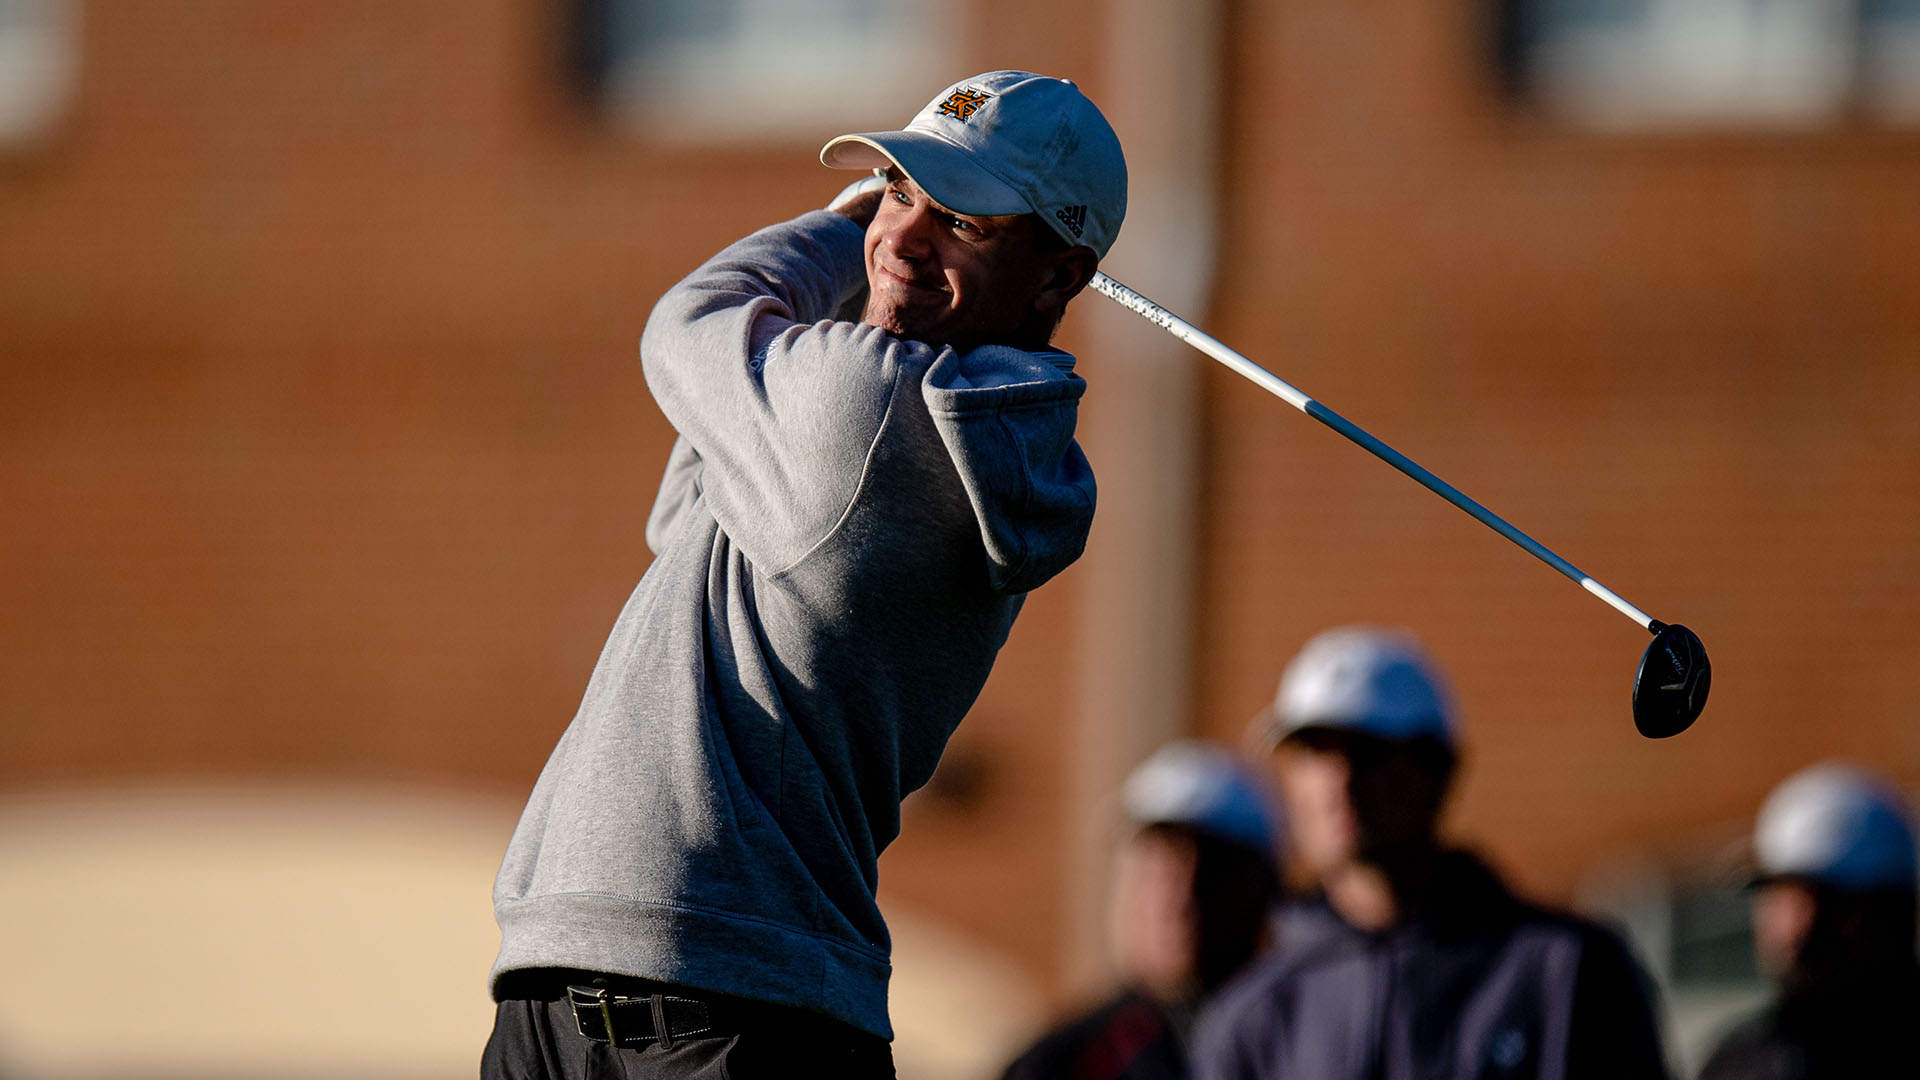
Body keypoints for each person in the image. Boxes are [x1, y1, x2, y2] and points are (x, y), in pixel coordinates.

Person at [481, 71, 1126, 1080]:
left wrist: (845, 225)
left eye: (963, 222)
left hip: (727, 1017)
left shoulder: (867, 411)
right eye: (898, 193)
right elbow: (679, 523)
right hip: (615, 994)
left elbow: (687, 322)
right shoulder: (877, 407)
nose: (906, 238)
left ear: (1055, 278)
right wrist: (891, 235)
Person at [1189, 626, 1671, 1080]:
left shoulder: (1565, 973)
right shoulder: (1247, 1018)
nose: (1339, 781)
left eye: (1367, 750)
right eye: (1313, 751)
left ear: (1440, 771)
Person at [999, 741, 1285, 1080]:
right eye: (1157, 873)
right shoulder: (1059, 1065)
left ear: (1267, 888)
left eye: (1211, 873)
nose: (1178, 902)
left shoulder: (1314, 1037)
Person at [1697, 762, 1920, 1079]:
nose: (1798, 929)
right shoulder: (1737, 1061)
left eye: (1832, 903)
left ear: (1896, 914)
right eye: (1781, 896)